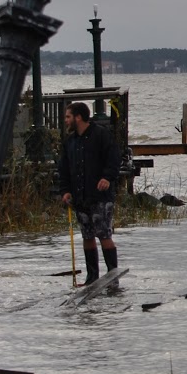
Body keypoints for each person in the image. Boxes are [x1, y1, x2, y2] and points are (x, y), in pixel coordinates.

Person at [59, 101, 120, 284]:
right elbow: (64, 169)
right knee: (87, 235)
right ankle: (92, 277)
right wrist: (65, 191)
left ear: (78, 117)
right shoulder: (70, 142)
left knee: (104, 234)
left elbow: (114, 158)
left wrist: (107, 178)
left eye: (68, 116)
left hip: (100, 196)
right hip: (80, 197)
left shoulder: (101, 135)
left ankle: (112, 276)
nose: (66, 120)